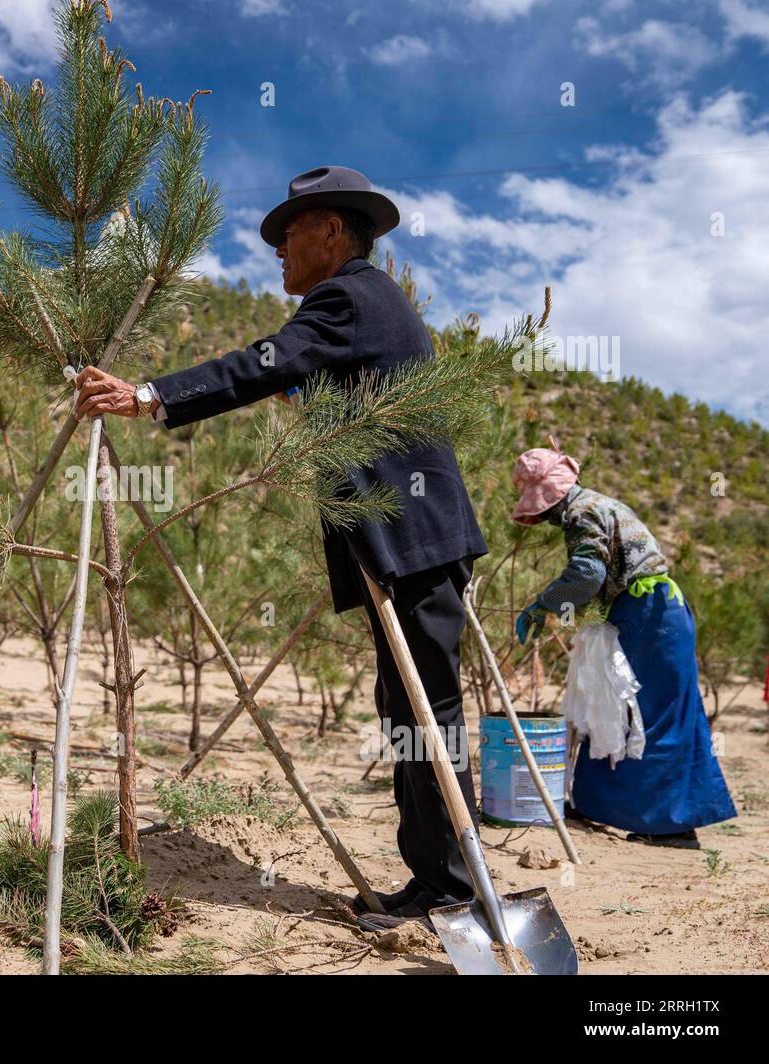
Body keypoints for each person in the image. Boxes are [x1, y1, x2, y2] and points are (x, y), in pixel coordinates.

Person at [73, 166, 488, 924]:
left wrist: (149, 394)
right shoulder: (370, 304)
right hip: (413, 537)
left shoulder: (349, 295)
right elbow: (311, 380)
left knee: (426, 710)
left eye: (288, 234)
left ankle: (455, 888)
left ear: (332, 231)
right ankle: (436, 878)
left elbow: (265, 361)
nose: (277, 253)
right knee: (408, 704)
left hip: (411, 536)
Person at [510, 447, 736, 848]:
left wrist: (543, 604)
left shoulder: (581, 514)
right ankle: (599, 806)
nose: (541, 518)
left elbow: (587, 573)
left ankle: (673, 826)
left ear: (549, 496)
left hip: (652, 615)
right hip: (650, 611)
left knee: (651, 716)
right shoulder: (597, 503)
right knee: (616, 709)